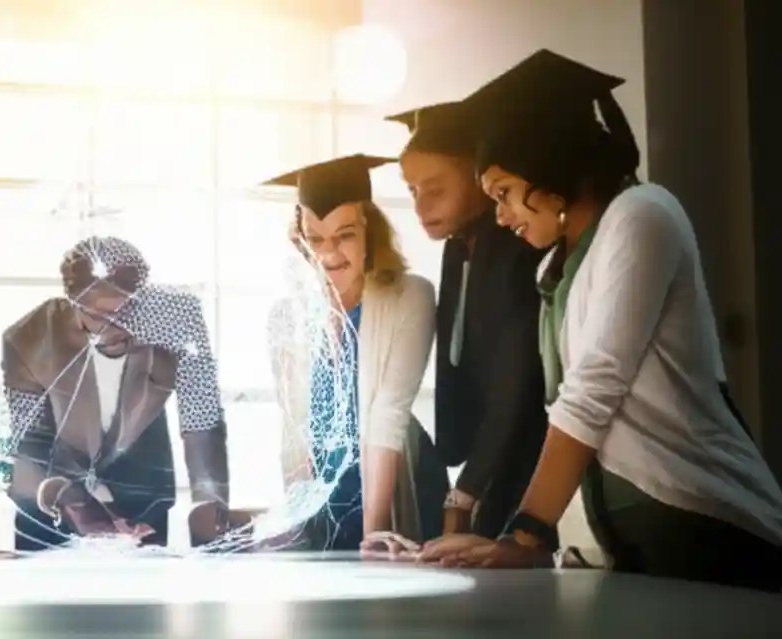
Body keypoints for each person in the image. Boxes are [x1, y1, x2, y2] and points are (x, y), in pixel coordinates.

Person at [420, 49, 782, 591]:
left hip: (698, 519)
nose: (500, 214)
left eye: (504, 193)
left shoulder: (642, 215)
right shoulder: (557, 265)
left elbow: (594, 387)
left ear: (547, 166)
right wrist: (540, 543)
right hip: (621, 540)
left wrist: (526, 535)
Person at [263, 154, 448, 551]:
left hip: (392, 485)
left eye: (344, 235)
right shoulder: (286, 317)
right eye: (315, 239)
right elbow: (293, 429)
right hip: (322, 502)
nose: (329, 254)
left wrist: (374, 532)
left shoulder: (409, 296)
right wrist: (297, 523)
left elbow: (389, 413)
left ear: (369, 234)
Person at [2, 236, 231, 550]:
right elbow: (29, 446)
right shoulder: (28, 339)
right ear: (72, 301)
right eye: (98, 316)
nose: (114, 327)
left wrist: (210, 515)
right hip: (53, 504)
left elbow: (202, 421)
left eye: (126, 312)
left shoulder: (178, 319)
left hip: (142, 494)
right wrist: (73, 502)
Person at [388, 101, 549, 540]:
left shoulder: (517, 248)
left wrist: (467, 490)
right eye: (412, 190)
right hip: (486, 459)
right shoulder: (457, 249)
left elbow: (518, 379)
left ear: (481, 181)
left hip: (530, 456)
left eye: (435, 188)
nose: (421, 206)